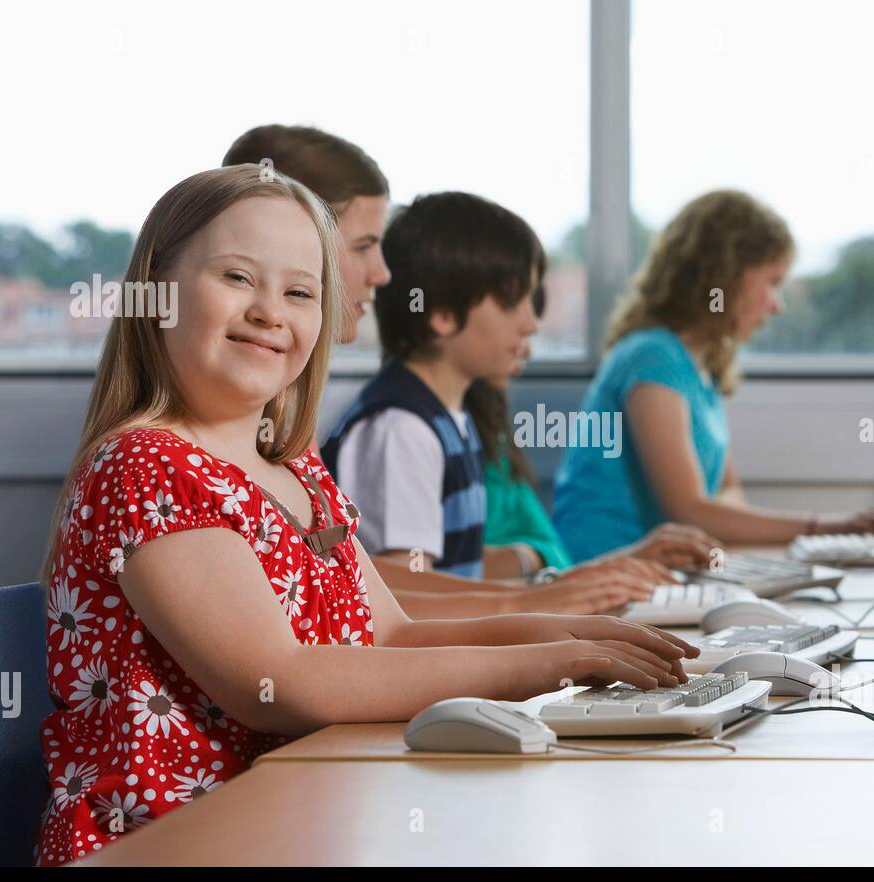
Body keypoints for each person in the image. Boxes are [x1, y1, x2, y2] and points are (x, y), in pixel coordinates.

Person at [37, 165, 694, 864]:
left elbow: (391, 637)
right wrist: (536, 668)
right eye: (235, 278)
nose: (269, 310)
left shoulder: (297, 469)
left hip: (304, 817)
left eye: (299, 291)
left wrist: (569, 635)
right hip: (174, 841)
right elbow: (276, 682)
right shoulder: (146, 465)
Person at [224, 125, 664, 615]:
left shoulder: (291, 427)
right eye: (365, 245)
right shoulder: (394, 425)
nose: (383, 274)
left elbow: (353, 574)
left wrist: (545, 593)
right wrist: (533, 604)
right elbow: (378, 598)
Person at [553, 189, 874, 563]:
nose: (776, 305)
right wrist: (832, 527)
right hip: (601, 573)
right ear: (725, 276)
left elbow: (727, 495)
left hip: (659, 574)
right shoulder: (653, 357)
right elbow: (691, 510)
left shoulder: (698, 368)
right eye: (772, 282)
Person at [465, 288, 723, 576]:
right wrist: (530, 558)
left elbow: (554, 573)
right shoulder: (653, 357)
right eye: (511, 303)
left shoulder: (487, 429)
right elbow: (441, 574)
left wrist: (627, 562)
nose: (531, 333)